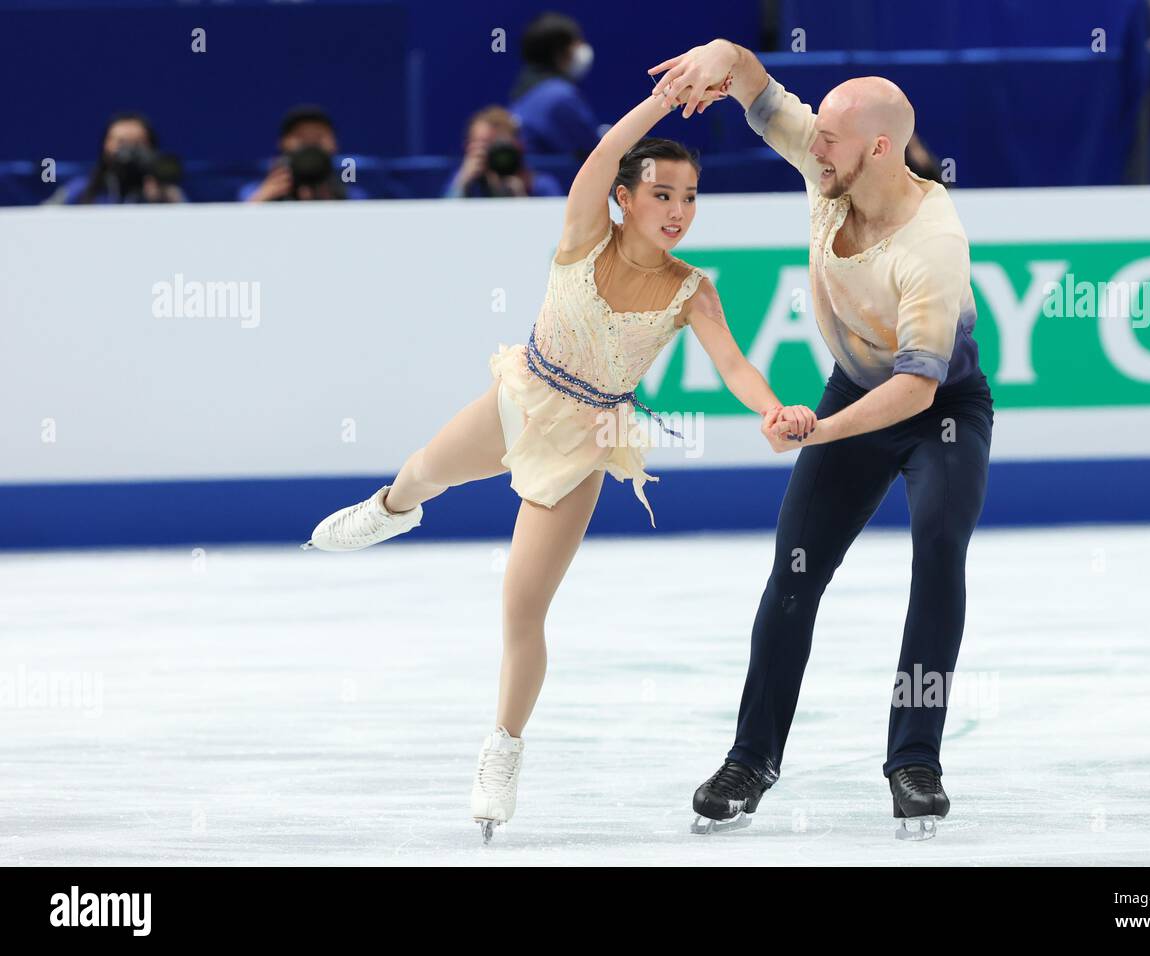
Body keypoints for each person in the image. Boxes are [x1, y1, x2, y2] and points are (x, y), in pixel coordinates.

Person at [303, 79, 816, 843]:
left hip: (583, 444)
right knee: (422, 473)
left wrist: (772, 407)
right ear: (624, 197)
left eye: (690, 197)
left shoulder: (690, 290)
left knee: (521, 606)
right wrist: (665, 103)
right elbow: (608, 148)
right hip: (520, 397)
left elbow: (736, 366)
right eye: (663, 193)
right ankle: (388, 511)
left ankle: (502, 747)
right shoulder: (583, 228)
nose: (678, 211)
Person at [648, 39, 993, 840]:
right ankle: (750, 760)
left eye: (831, 135)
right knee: (794, 572)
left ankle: (915, 763)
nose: (814, 143)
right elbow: (753, 82)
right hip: (853, 393)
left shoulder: (932, 243)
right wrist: (717, 56)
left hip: (940, 410)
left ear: (880, 147)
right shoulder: (828, 163)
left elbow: (916, 386)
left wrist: (819, 431)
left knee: (938, 552)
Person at [508, 13, 600, 162]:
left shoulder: (524, 92)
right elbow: (598, 153)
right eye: (576, 43)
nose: (582, 49)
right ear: (560, 52)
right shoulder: (560, 96)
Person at [44, 112, 185, 205]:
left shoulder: (166, 192)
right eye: (121, 142)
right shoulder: (82, 189)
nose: (129, 151)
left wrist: (161, 201)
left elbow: (191, 224)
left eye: (137, 144)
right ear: (105, 145)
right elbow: (41, 218)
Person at [240, 105, 368, 202]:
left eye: (319, 137)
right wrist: (262, 198)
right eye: (300, 137)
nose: (310, 143)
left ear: (334, 144)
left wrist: (336, 202)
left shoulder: (352, 195)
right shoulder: (254, 191)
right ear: (282, 143)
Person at [443, 106, 563, 198]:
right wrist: (461, 183)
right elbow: (443, 221)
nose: (493, 152)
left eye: (498, 144)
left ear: (518, 147)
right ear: (469, 147)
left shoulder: (542, 187)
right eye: (484, 145)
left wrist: (522, 201)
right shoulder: (466, 184)